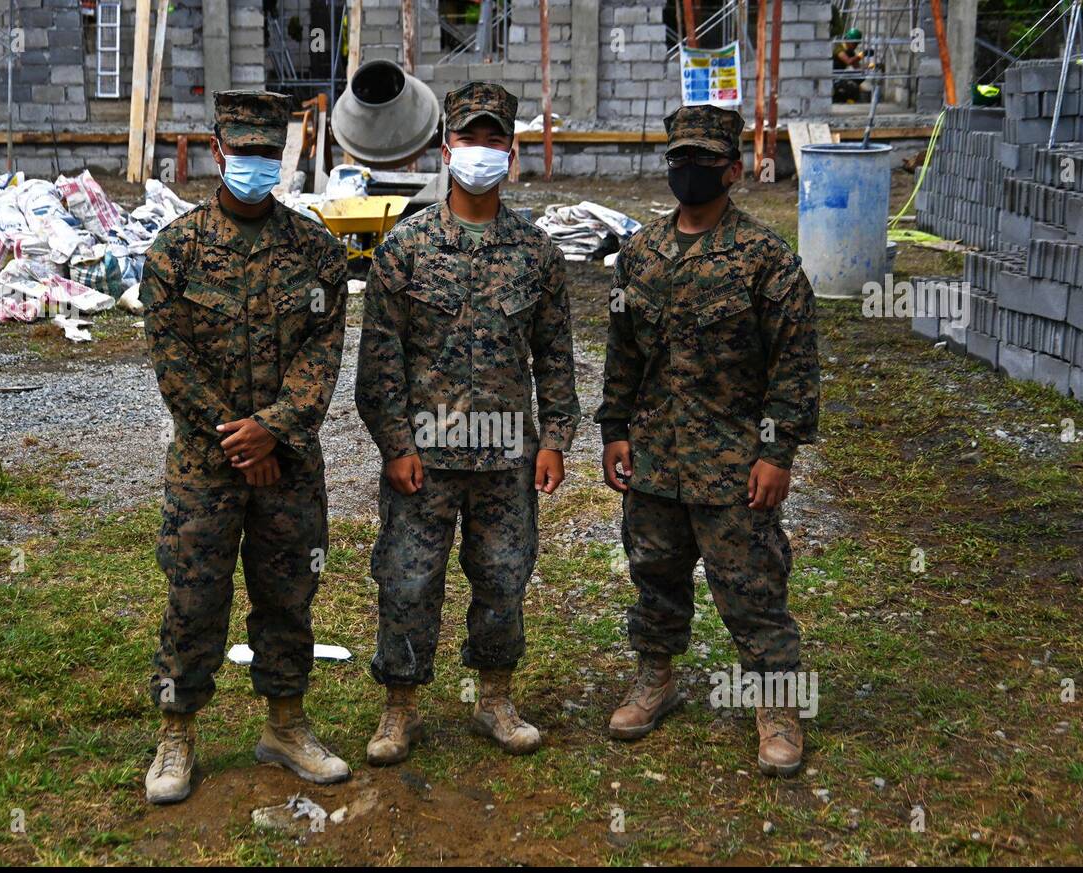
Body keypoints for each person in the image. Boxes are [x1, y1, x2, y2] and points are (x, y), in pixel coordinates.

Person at [355, 81, 579, 765]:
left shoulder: (536, 253)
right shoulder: (407, 246)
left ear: (509, 152)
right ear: (445, 146)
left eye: (492, 139)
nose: (478, 151)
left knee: (504, 577)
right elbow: (380, 357)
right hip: (425, 454)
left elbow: (556, 356)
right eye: (467, 138)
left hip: (507, 457)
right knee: (407, 581)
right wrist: (395, 444)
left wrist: (557, 441)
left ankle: (496, 700)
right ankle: (400, 708)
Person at [596, 105, 820, 777]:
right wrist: (613, 429)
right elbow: (622, 352)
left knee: (751, 586)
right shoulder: (640, 252)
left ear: (732, 170)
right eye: (679, 161)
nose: (688, 173)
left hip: (733, 461)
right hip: (657, 458)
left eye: (702, 162)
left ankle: (777, 706)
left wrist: (776, 452)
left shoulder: (765, 259)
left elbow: (795, 365)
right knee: (655, 577)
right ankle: (655, 679)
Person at [141, 90, 350, 803]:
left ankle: (285, 726)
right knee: (193, 598)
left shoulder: (317, 252)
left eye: (270, 152)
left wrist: (276, 429)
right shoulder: (176, 250)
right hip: (207, 467)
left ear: (283, 156)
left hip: (288, 466)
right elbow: (172, 362)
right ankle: (177, 733)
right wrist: (240, 439)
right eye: (244, 151)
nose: (256, 164)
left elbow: (323, 358)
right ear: (217, 152)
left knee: (288, 595)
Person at [833, 27, 866, 103]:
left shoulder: (850, 52)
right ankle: (839, 96)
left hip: (840, 76)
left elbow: (857, 68)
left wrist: (871, 66)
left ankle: (848, 96)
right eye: (854, 44)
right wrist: (862, 55)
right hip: (833, 77)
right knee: (849, 86)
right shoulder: (839, 48)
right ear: (848, 40)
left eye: (857, 44)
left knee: (861, 75)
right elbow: (848, 61)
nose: (856, 46)